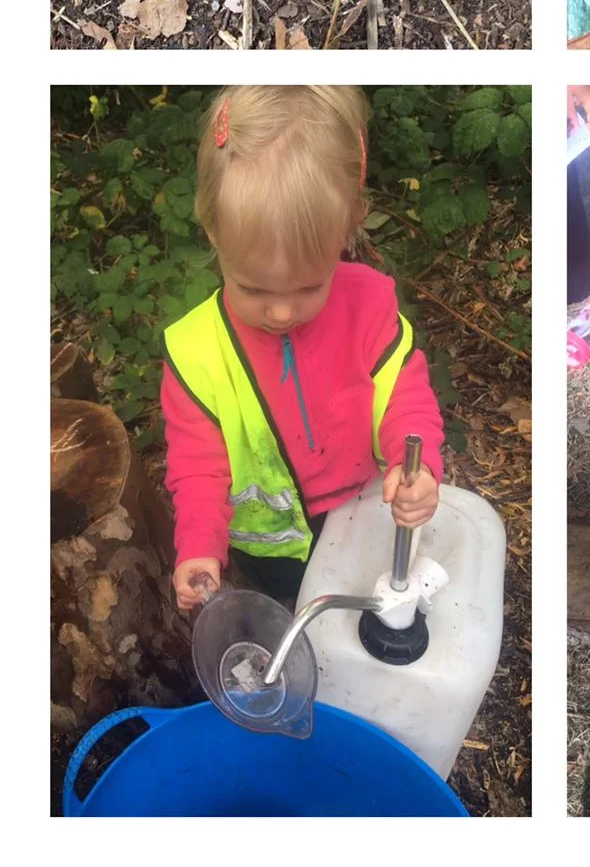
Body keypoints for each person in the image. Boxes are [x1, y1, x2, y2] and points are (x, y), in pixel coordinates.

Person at [162, 86, 444, 609]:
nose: (283, 313)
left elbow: (404, 394)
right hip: (266, 550)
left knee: (357, 613)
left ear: (348, 224)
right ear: (213, 233)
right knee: (298, 619)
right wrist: (200, 545)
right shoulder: (195, 351)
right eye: (254, 288)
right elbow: (198, 466)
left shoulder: (368, 305)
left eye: (311, 285)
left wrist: (418, 465)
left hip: (360, 514)